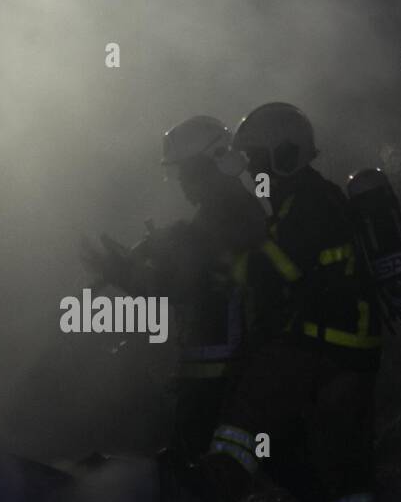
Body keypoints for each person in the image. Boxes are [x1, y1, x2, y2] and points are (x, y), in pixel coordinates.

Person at [202, 102, 383, 502]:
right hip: (351, 348)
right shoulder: (305, 198)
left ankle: (208, 499)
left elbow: (276, 269)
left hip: (320, 341)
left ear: (284, 156)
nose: (250, 170)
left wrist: (225, 266)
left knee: (247, 411)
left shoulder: (307, 202)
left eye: (257, 160)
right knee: (347, 472)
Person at [81, 115, 267, 456]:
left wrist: (123, 272)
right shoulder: (227, 208)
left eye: (185, 170)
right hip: (220, 359)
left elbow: (179, 283)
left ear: (211, 163)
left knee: (193, 457)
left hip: (222, 364)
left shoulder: (227, 213)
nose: (181, 181)